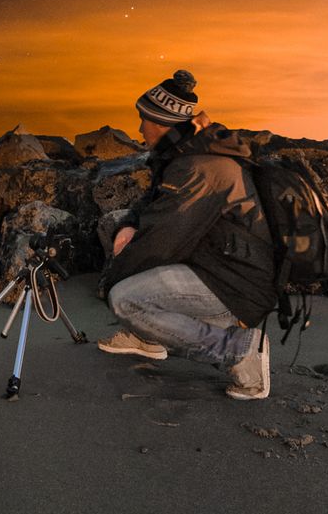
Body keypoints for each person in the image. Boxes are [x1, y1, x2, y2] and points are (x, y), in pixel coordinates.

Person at [97, 69, 277, 400]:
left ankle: (239, 351)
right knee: (116, 225)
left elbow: (160, 242)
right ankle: (148, 337)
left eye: (143, 119)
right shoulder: (185, 151)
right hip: (219, 264)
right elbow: (155, 204)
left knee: (125, 298)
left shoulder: (200, 167)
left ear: (161, 122)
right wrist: (129, 223)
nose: (138, 128)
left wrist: (109, 284)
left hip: (237, 284)